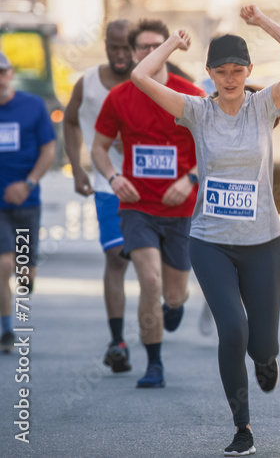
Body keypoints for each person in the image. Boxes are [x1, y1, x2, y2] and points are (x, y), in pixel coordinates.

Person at [128, 5, 280, 456]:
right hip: (210, 241)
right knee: (233, 330)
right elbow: (140, 76)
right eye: (221, 71)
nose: (230, 78)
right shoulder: (196, 111)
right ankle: (242, 426)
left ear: (248, 70)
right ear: (208, 73)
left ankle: (266, 359)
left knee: (261, 343)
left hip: (264, 245)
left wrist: (264, 23)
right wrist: (172, 44)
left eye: (237, 70)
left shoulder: (265, 104)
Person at [92, 19, 203, 389]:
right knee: (150, 282)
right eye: (144, 48)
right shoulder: (119, 98)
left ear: (171, 49)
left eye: (160, 45)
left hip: (181, 209)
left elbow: (214, 148)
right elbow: (99, 148)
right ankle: (154, 364)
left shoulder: (191, 96)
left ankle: (175, 305)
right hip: (137, 206)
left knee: (174, 293)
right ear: (135, 53)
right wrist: (113, 177)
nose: (151, 53)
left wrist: (188, 179)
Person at [63, 19, 137, 371]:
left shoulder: (150, 80)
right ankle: (117, 340)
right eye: (114, 47)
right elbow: (70, 120)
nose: (120, 54)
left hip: (150, 186)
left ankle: (173, 302)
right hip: (109, 185)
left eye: (127, 48)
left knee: (162, 269)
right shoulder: (88, 82)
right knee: (116, 259)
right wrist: (77, 168)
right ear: (105, 44)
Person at [0, 52, 56, 353]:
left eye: (2, 72)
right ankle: (6, 329)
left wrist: (29, 183)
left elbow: (49, 149)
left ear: (11, 73)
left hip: (28, 201)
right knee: (3, 263)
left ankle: (26, 280)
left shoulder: (32, 106)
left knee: (24, 269)